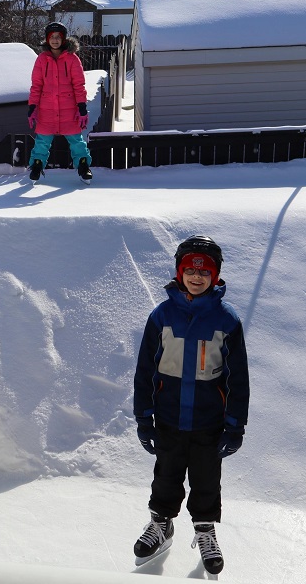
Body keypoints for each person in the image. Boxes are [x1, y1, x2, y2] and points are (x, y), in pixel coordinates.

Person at [131, 235, 250, 574]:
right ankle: (161, 524)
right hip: (168, 418)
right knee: (165, 477)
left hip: (208, 422)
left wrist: (235, 424)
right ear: (179, 272)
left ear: (215, 276)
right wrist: (144, 417)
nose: (197, 278)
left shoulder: (227, 320)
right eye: (190, 271)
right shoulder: (162, 316)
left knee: (206, 480)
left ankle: (205, 529)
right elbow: (145, 371)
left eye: (205, 272)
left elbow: (237, 379)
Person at [27, 22, 93, 183]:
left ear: (63, 39)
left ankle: (84, 166)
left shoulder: (72, 59)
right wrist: (32, 107)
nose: (55, 40)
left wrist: (82, 107)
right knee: (42, 142)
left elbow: (79, 85)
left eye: (58, 37)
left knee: (77, 141)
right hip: (46, 109)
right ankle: (36, 166)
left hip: (68, 109)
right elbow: (36, 86)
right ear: (47, 39)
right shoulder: (42, 59)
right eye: (52, 37)